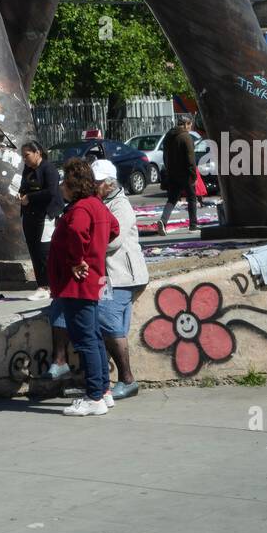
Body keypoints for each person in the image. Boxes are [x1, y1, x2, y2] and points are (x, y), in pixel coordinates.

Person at [47, 158, 118, 417]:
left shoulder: (80, 209)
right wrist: (94, 251)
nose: (62, 187)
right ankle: (103, 391)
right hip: (92, 279)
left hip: (77, 283)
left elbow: (77, 232)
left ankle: (93, 396)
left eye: (65, 182)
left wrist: (78, 260)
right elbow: (114, 228)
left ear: (74, 185)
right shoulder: (98, 206)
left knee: (85, 339)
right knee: (94, 336)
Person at [97, 171, 149, 399]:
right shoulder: (101, 202)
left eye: (97, 182)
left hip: (124, 275)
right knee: (108, 323)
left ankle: (127, 380)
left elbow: (113, 241)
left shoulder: (121, 205)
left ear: (109, 183)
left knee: (106, 319)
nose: (94, 185)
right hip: (107, 276)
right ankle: (101, 381)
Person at [19, 141, 63, 298]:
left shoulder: (48, 169)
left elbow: (51, 192)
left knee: (44, 250)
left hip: (45, 215)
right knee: (33, 250)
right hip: (29, 215)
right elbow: (23, 186)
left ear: (37, 152)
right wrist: (21, 195)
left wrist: (29, 197)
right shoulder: (27, 170)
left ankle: (49, 284)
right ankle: (41, 284)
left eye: (27, 155)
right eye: (23, 157)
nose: (25, 159)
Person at [158, 119, 198, 234]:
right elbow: (191, 158)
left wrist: (169, 170)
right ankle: (193, 225)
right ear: (186, 124)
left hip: (172, 173)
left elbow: (165, 156)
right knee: (192, 198)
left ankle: (163, 221)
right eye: (190, 125)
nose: (190, 128)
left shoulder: (168, 136)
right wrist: (193, 176)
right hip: (185, 174)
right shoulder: (186, 137)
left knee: (172, 199)